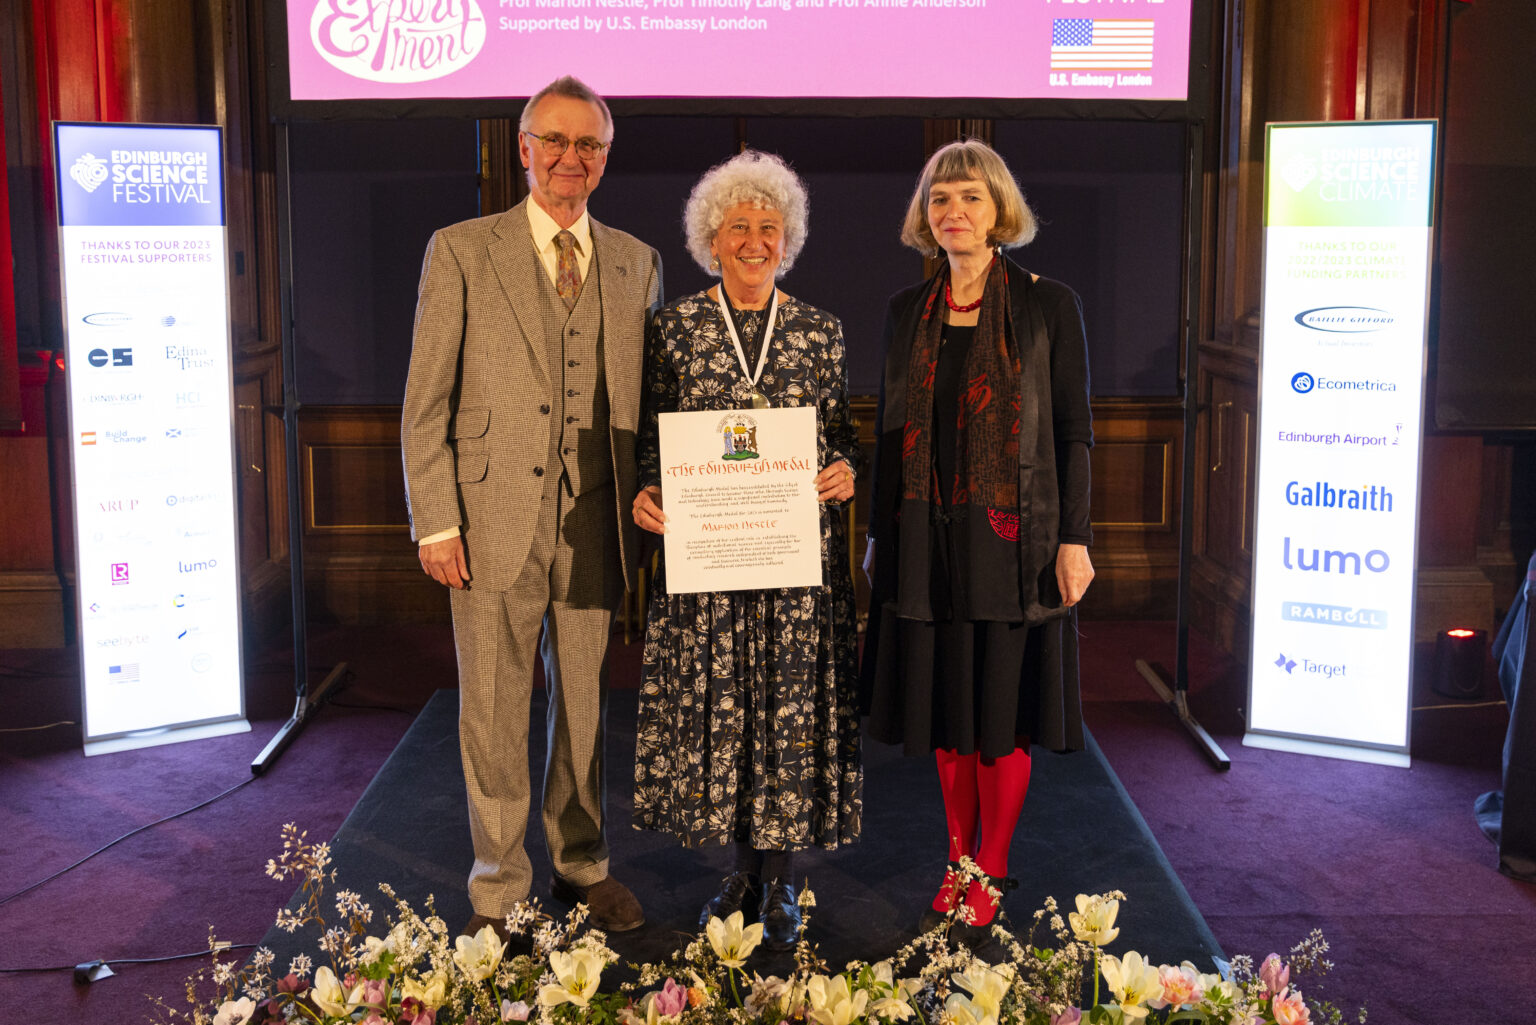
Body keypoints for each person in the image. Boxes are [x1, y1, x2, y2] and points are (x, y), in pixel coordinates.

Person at [401, 75, 662, 937]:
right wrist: (435, 519)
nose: (570, 159)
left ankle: (582, 864)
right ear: (524, 149)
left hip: (598, 523)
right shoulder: (462, 249)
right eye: (554, 141)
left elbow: (651, 403)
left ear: (606, 156)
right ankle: (499, 888)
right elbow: (424, 403)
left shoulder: (636, 261)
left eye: (588, 145)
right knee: (494, 706)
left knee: (582, 703)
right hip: (484, 521)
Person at [859, 139, 1095, 945]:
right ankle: (955, 859)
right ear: (924, 218)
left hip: (1014, 538)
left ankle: (991, 865)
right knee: (948, 709)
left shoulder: (1046, 305)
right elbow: (890, 436)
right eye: (939, 200)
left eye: (969, 198)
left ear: (1000, 211)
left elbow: (1073, 433)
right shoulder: (905, 312)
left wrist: (1075, 537)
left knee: (1001, 710)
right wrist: (876, 536)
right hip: (926, 538)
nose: (952, 212)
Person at [630, 150, 862, 950]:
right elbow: (653, 437)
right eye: (740, 227)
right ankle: (738, 870)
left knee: (787, 719)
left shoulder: (822, 331)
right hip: (711, 570)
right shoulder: (676, 330)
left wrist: (844, 471)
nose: (755, 240)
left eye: (770, 227)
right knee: (727, 722)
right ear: (711, 238)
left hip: (796, 573)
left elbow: (842, 438)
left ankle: (778, 877)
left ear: (787, 239)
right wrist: (648, 491)